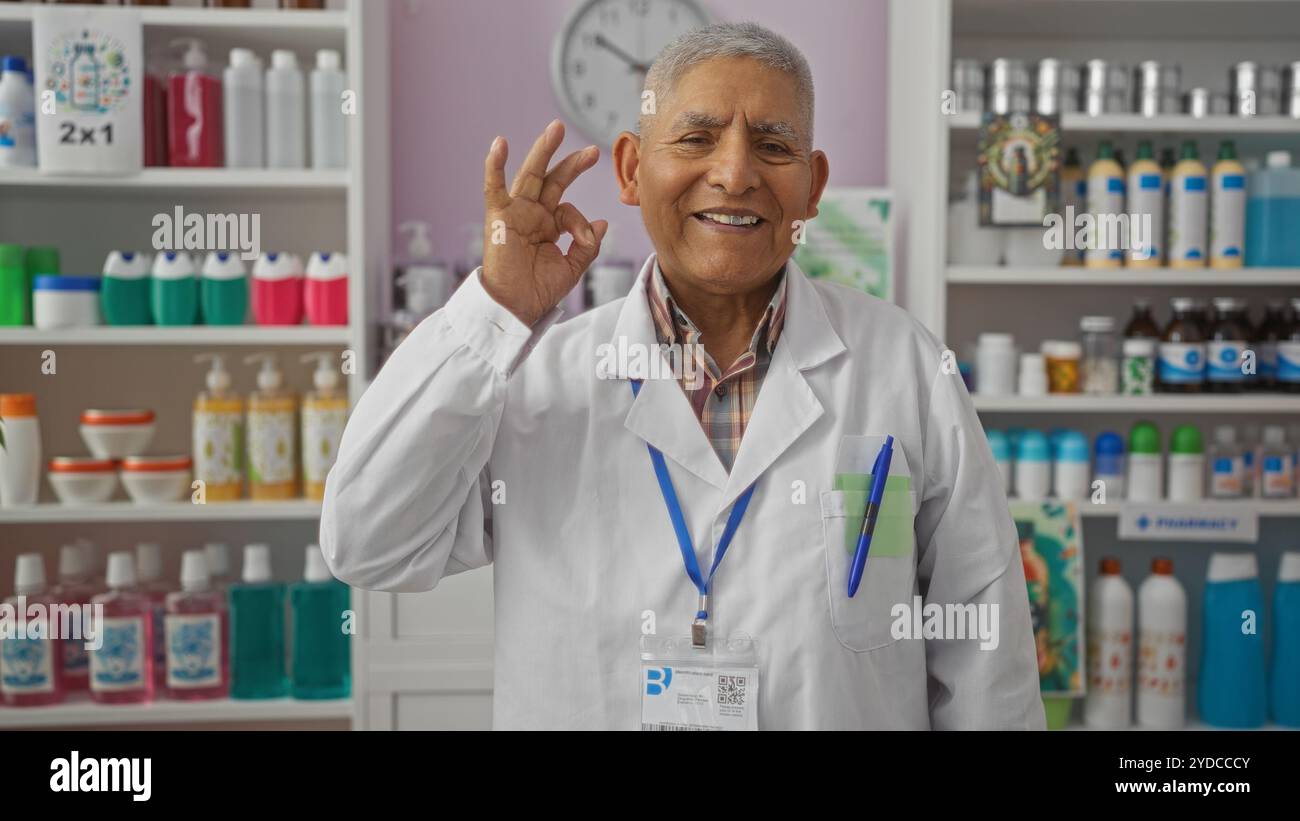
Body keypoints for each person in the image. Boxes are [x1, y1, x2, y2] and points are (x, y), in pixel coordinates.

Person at [321, 22, 1045, 730]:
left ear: (813, 184)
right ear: (633, 169)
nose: (734, 173)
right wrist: (495, 308)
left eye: (772, 144)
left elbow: (986, 647)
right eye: (697, 138)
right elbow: (367, 540)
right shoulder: (532, 379)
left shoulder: (904, 367)